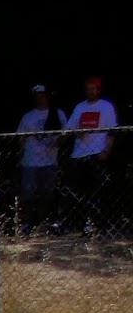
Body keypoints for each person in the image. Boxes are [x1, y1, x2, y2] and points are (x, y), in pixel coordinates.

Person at [63, 76, 117, 233]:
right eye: (88, 88)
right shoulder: (80, 107)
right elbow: (69, 129)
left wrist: (106, 151)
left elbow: (112, 132)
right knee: (76, 192)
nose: (90, 91)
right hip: (78, 154)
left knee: (96, 192)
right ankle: (76, 224)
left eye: (93, 88)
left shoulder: (106, 107)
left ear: (98, 90)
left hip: (96, 153)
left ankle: (95, 224)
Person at [17, 84, 67, 232]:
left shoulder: (57, 113)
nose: (41, 99)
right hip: (30, 161)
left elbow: (66, 132)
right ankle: (27, 223)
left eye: (43, 96)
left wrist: (58, 140)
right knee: (28, 192)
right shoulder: (27, 117)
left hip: (49, 160)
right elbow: (20, 138)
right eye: (38, 96)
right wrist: (19, 157)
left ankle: (45, 222)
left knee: (48, 192)